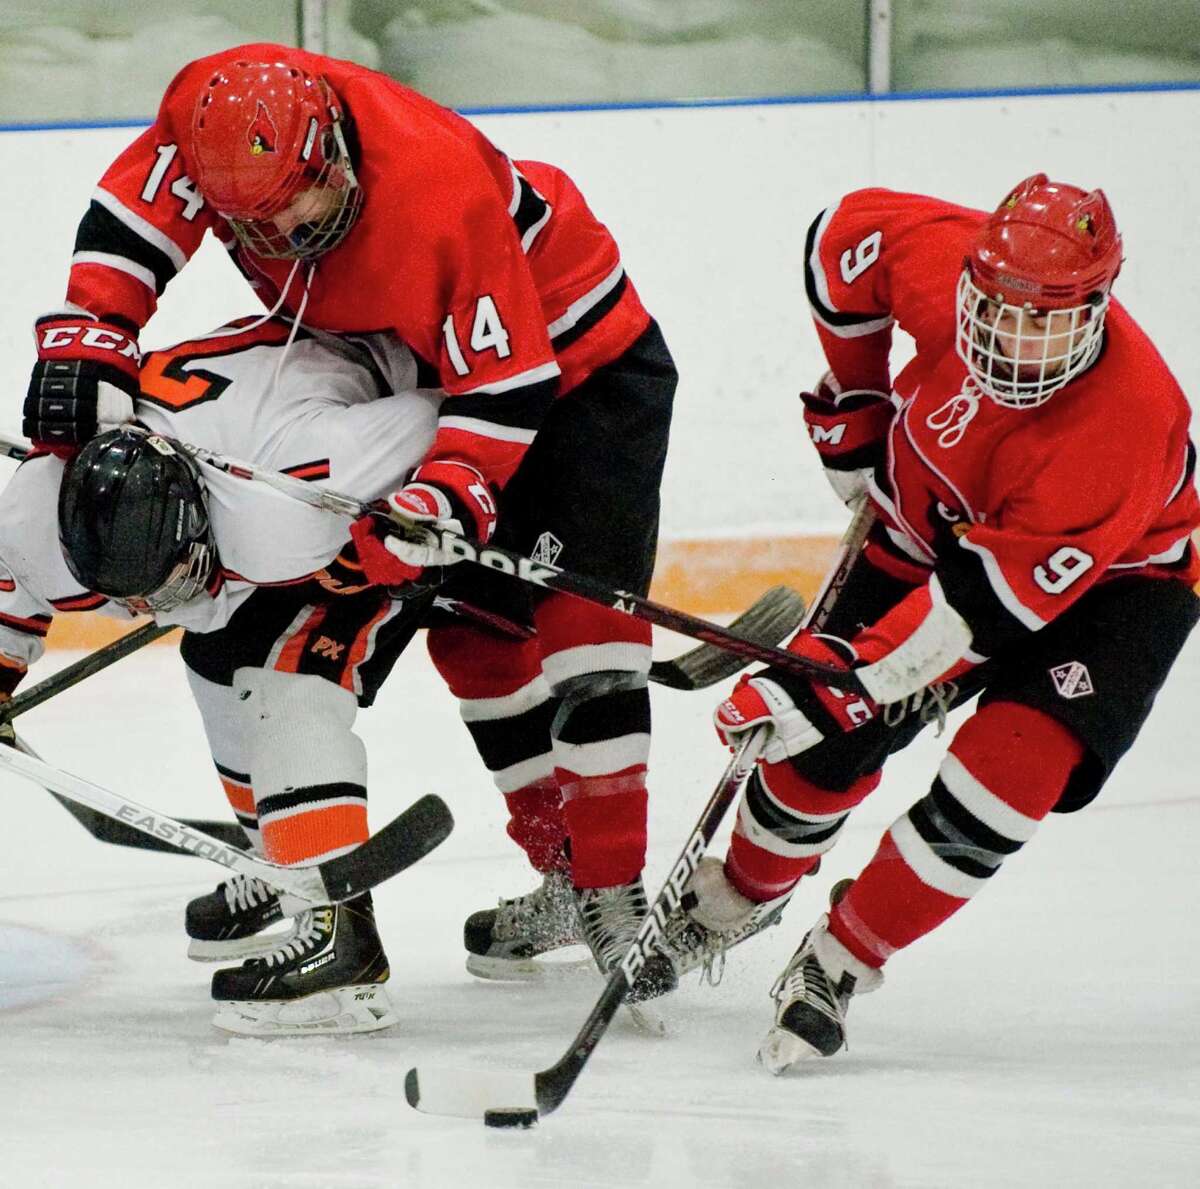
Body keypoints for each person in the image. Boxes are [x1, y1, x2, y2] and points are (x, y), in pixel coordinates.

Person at [23, 43, 678, 999]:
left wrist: (444, 491)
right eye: (262, 224)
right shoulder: (214, 118)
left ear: (332, 146)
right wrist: (95, 327)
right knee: (477, 641)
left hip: (577, 372)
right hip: (422, 367)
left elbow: (506, 384)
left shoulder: (436, 190)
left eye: (304, 204)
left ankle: (615, 894)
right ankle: (560, 876)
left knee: (583, 634)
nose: (288, 233)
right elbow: (136, 216)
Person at [663, 175, 1200, 1069]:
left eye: (1046, 319)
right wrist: (858, 400)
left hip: (1115, 589)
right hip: (929, 528)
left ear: (1100, 306)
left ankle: (840, 960)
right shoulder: (934, 256)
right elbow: (837, 242)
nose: (1014, 338)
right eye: (997, 308)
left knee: (1004, 783)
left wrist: (838, 685)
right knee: (814, 752)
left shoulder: (1125, 425)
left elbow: (976, 616)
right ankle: (736, 899)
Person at [2, 315, 443, 1034]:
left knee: (286, 682)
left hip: (364, 465)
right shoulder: (32, 515)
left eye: (170, 582)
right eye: (132, 600)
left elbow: (445, 414)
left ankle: (341, 943)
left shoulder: (294, 496)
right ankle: (285, 861)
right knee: (211, 657)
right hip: (253, 478)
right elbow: (10, 584)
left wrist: (419, 514)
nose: (151, 608)